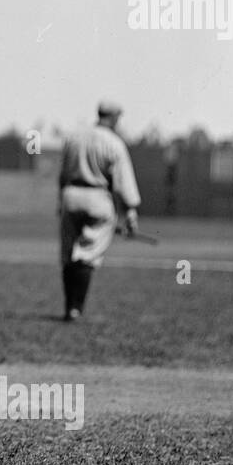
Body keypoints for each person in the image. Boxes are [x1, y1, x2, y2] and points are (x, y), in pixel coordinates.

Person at [58, 101, 141, 321]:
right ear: (113, 118)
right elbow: (123, 182)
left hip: (71, 196)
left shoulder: (74, 137)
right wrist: (130, 212)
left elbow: (62, 174)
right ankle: (76, 308)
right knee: (86, 255)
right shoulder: (114, 142)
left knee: (69, 254)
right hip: (98, 198)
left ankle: (69, 306)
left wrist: (60, 202)